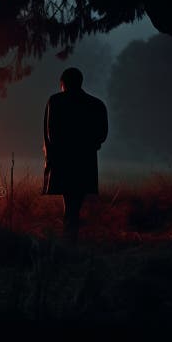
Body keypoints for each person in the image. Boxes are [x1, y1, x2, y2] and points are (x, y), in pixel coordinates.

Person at [43, 68, 108, 241]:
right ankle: (71, 233)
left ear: (62, 83)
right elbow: (102, 134)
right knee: (76, 199)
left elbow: (51, 134)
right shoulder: (96, 104)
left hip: (63, 159)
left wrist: (53, 153)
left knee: (70, 200)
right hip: (85, 160)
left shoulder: (55, 101)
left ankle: (69, 235)